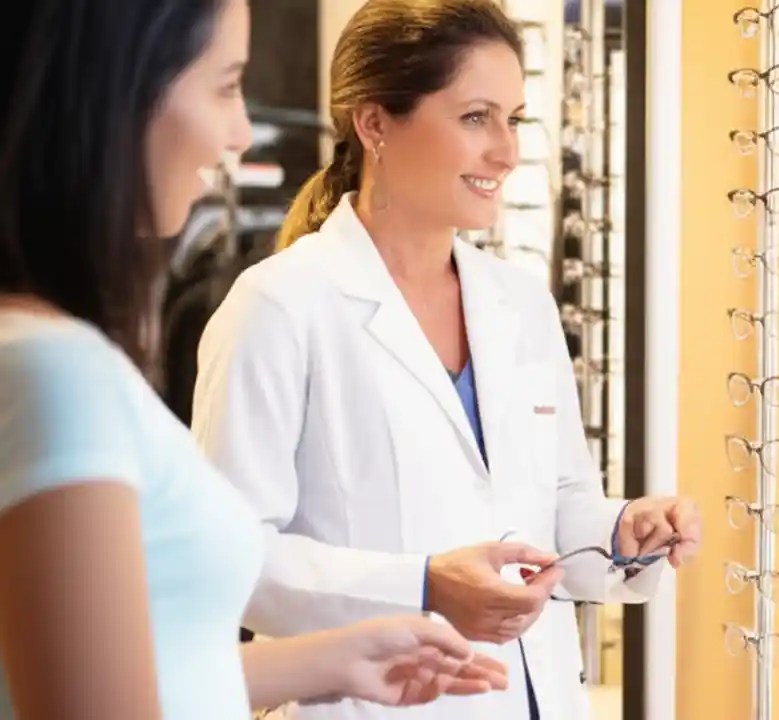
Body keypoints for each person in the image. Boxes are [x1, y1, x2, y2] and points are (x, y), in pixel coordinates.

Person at [190, 0, 703, 718]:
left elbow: (555, 508)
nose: (507, 151)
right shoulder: (278, 308)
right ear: (375, 124)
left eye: (514, 119)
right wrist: (424, 584)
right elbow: (229, 560)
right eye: (476, 118)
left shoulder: (521, 304)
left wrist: (621, 532)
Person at [0, 1, 510, 718]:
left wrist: (334, 658)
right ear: (121, 86)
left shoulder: (44, 355)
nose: (241, 131)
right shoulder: (60, 375)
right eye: (226, 85)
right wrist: (415, 587)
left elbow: (127, 668)